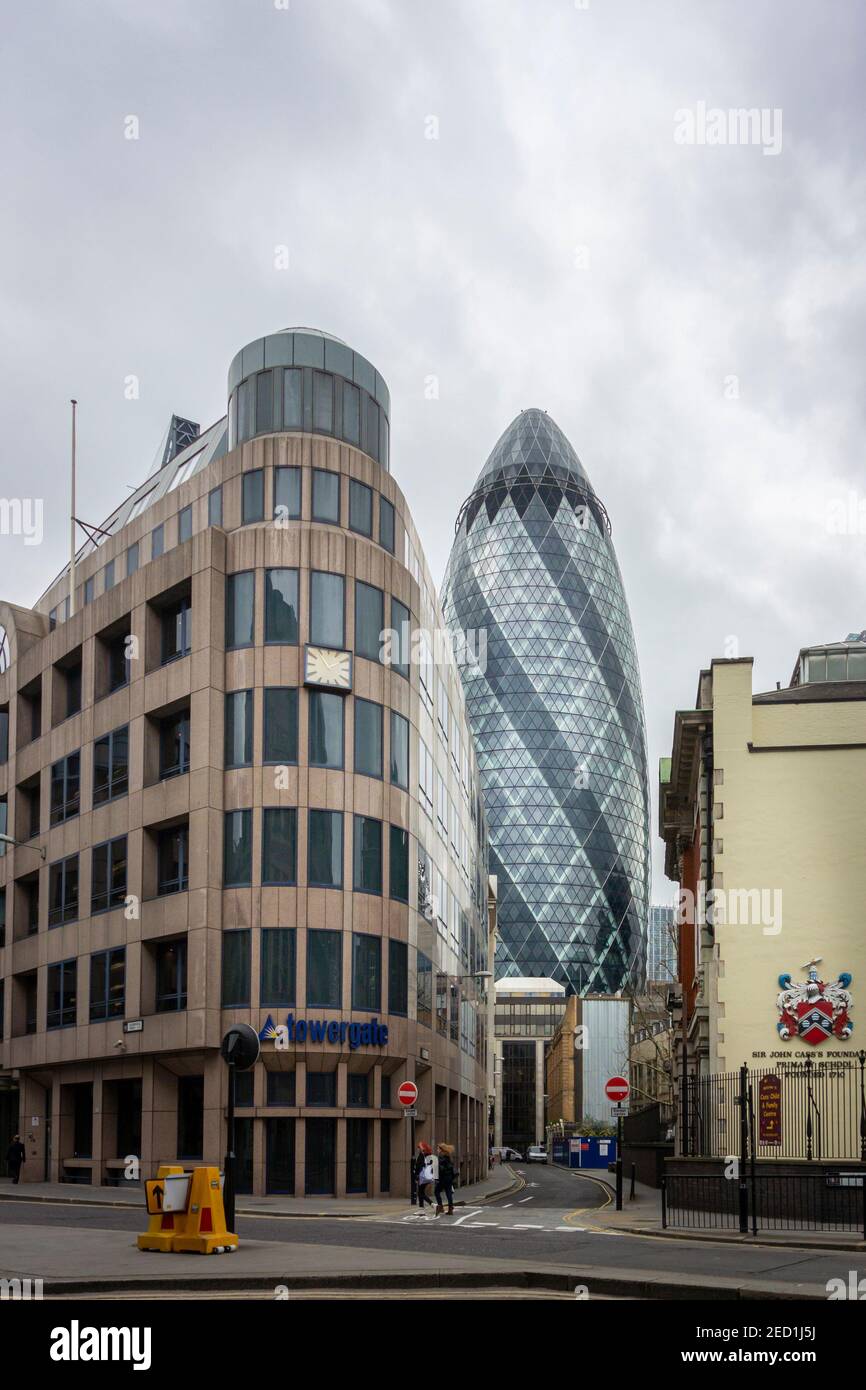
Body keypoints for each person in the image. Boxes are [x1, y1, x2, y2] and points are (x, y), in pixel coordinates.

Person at [435, 1143, 456, 1215]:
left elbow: (440, 1169)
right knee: (448, 1193)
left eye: (438, 1149)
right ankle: (450, 1209)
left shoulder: (440, 1157)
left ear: (441, 1150)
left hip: (443, 1178)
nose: (437, 1150)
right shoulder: (449, 1157)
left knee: (436, 1191)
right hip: (449, 1178)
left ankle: (440, 1207)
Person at [415, 1141, 437, 1208]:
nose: (418, 1149)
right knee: (421, 1192)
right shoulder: (429, 1155)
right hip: (428, 1176)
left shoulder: (421, 1156)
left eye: (419, 1147)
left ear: (422, 1148)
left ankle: (433, 1205)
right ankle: (421, 1210)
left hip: (422, 1177)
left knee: (420, 1193)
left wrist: (416, 1177)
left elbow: (418, 1167)